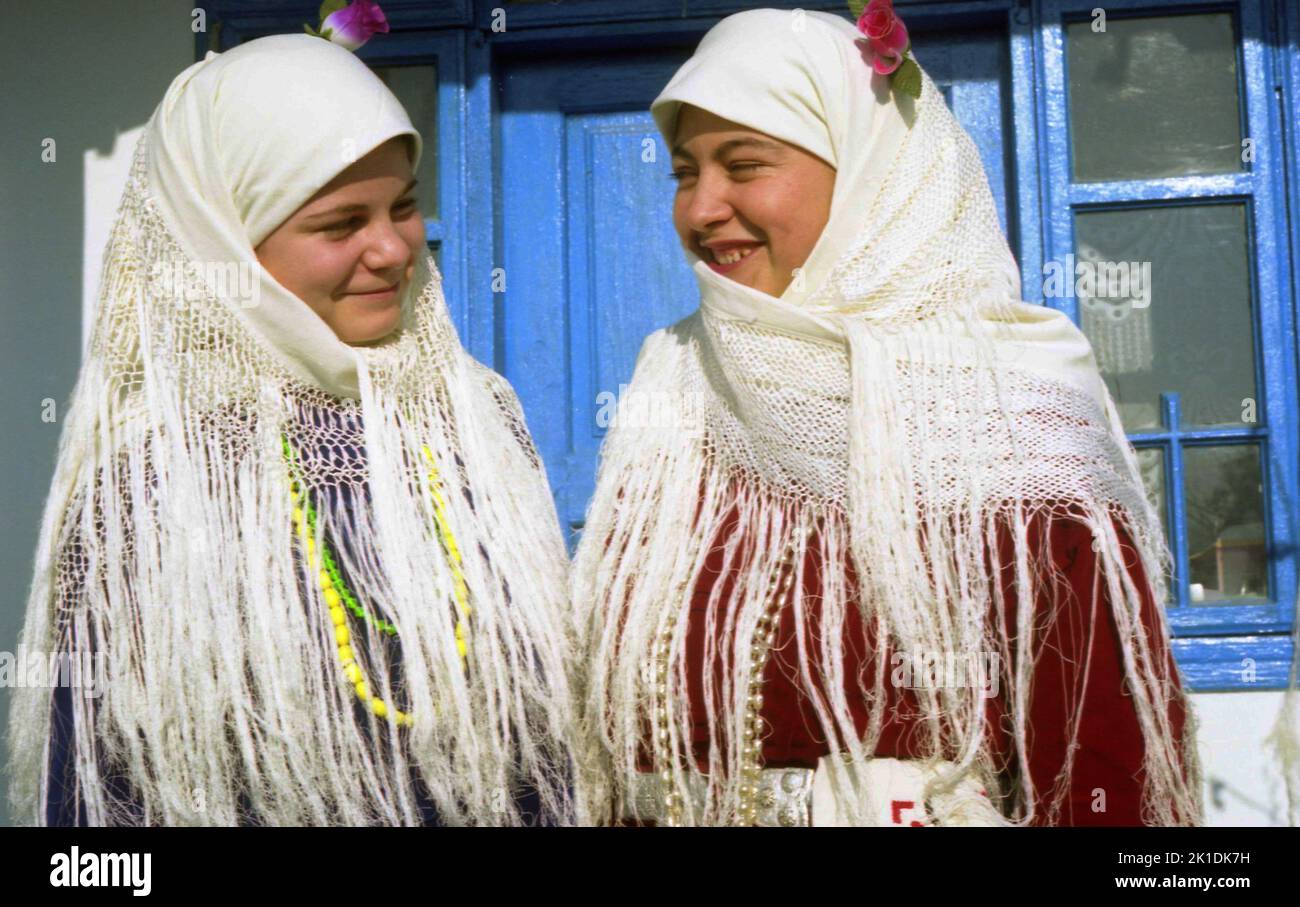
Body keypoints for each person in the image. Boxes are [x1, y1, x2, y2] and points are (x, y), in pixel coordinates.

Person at [573, 7, 1204, 826]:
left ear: (869, 173)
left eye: (744, 166)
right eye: (685, 174)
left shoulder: (1013, 412)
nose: (701, 210)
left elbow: (1103, 765)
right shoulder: (676, 390)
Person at [7, 34, 575, 826]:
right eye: (342, 224)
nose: (393, 249)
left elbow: (549, 751)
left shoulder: (476, 422)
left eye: (404, 207)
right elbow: (98, 795)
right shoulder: (157, 488)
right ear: (227, 243)